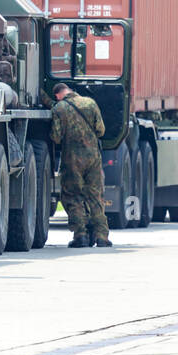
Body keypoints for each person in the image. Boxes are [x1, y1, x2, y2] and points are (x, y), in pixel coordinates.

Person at [50, 82, 111, 247]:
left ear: (58, 95)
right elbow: (101, 130)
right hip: (93, 158)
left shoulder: (59, 109)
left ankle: (81, 236)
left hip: (72, 159)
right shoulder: (90, 103)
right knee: (95, 196)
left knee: (73, 196)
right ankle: (102, 237)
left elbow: (55, 137)